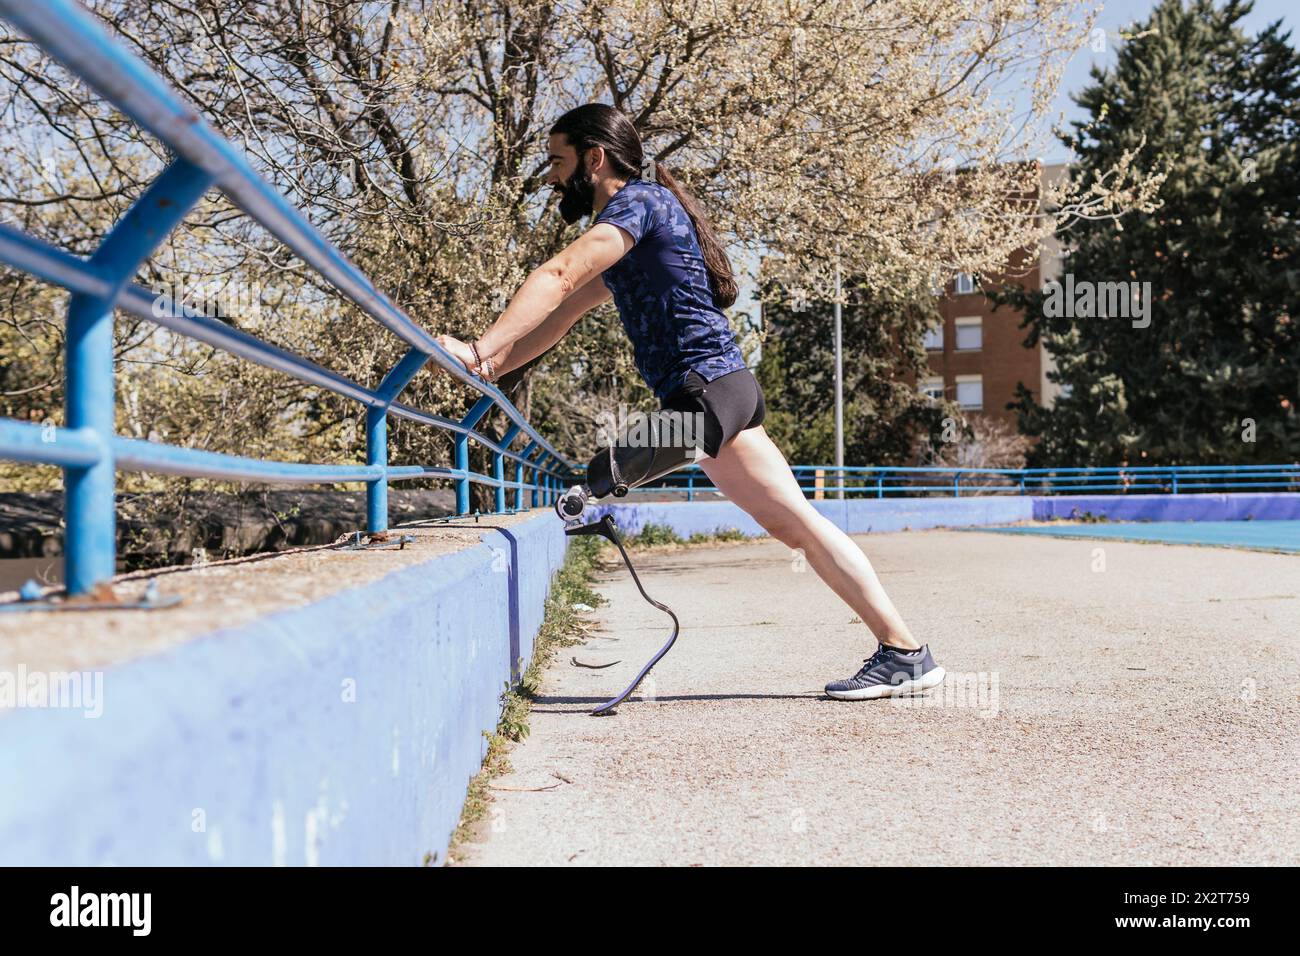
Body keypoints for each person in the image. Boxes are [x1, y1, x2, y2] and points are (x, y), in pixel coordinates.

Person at [436, 103, 944, 700]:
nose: (549, 177)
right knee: (800, 527)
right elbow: (564, 315)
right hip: (722, 393)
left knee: (604, 473)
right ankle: (904, 652)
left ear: (594, 159)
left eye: (557, 161)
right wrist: (494, 365)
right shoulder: (632, 235)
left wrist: (476, 347)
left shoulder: (641, 205)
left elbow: (560, 277)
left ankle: (903, 652)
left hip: (706, 396)